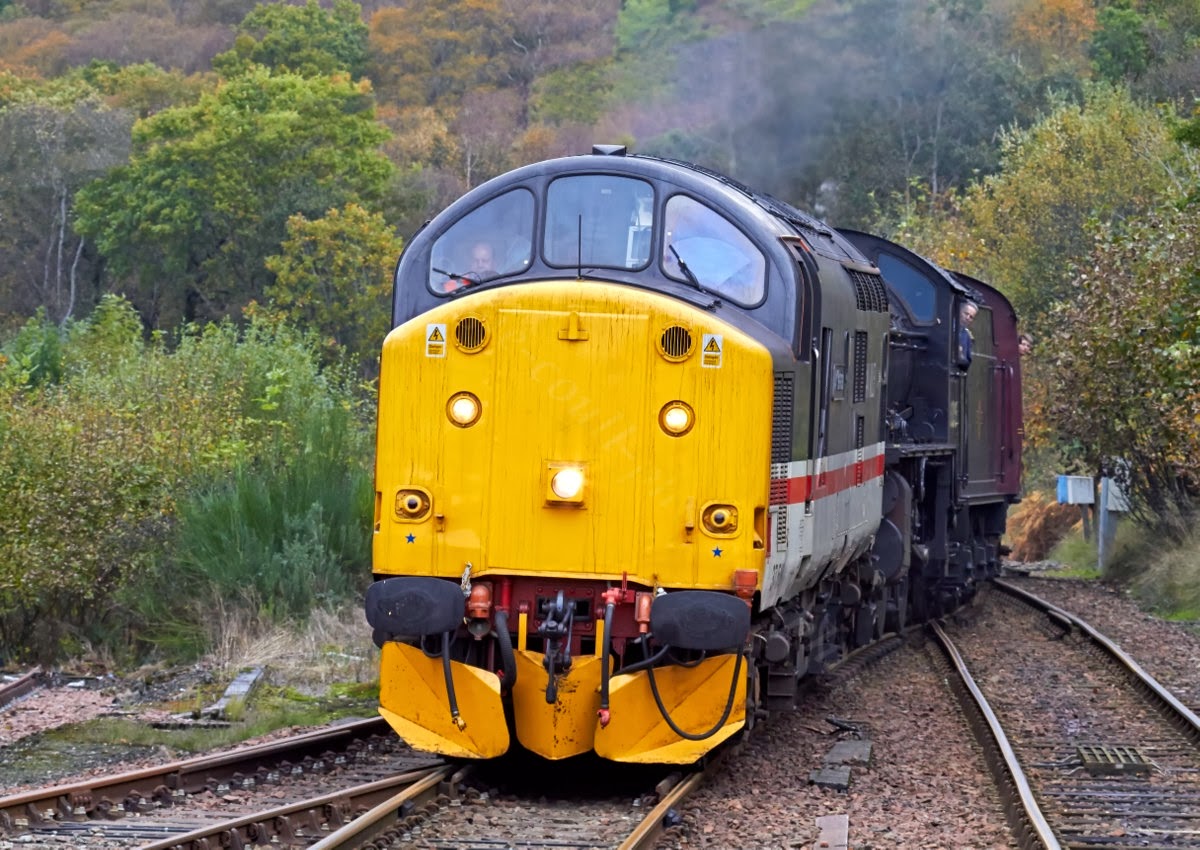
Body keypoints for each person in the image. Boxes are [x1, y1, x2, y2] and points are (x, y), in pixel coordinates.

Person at [957, 300, 977, 368]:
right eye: (966, 313)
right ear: (959, 311)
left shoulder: (967, 336)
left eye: (971, 317)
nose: (967, 318)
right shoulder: (945, 326)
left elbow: (967, 364)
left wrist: (961, 356)